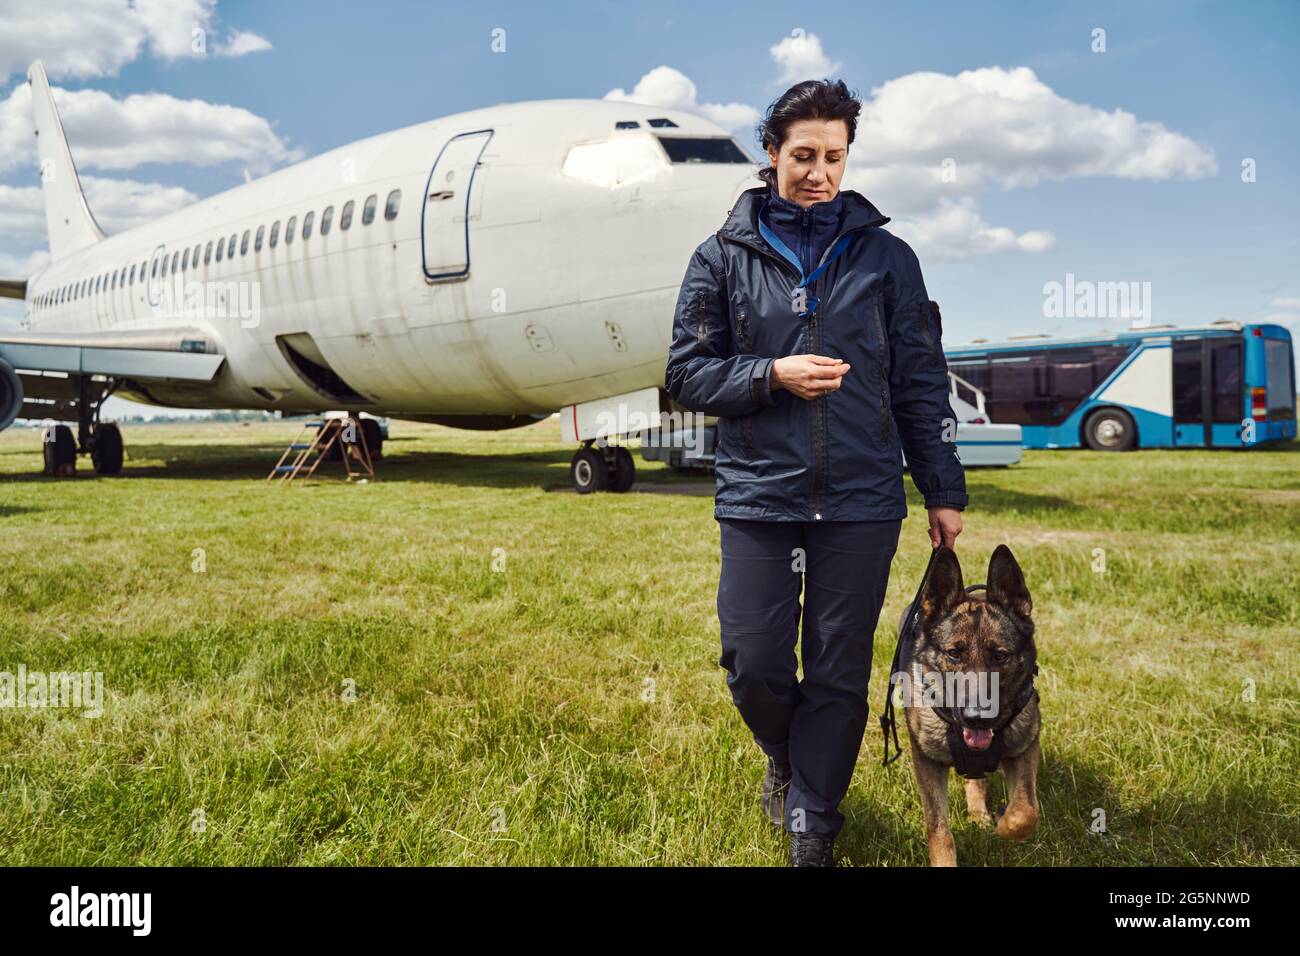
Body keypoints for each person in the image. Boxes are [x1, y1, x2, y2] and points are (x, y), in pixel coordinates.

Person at [664, 78, 967, 866]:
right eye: (803, 155)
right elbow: (688, 375)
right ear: (772, 155)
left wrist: (942, 487)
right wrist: (771, 375)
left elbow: (921, 381)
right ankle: (787, 759)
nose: (819, 172)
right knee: (754, 661)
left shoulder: (888, 259)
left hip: (864, 500)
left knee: (838, 671)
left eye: (834, 156)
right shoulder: (720, 258)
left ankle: (813, 825)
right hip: (761, 498)